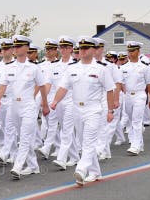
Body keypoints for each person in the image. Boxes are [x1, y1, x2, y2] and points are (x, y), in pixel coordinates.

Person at [49, 36, 115, 186]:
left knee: (89, 142)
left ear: (93, 50)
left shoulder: (101, 69)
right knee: (82, 141)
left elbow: (110, 90)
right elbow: (63, 88)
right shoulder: (72, 68)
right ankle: (95, 172)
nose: (83, 51)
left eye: (86, 48)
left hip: (93, 109)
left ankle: (81, 169)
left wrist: (110, 110)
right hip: (76, 108)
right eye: (81, 48)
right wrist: (54, 101)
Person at [0, 35, 50, 179]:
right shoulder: (9, 68)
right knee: (21, 135)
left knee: (25, 137)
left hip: (29, 105)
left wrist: (45, 105)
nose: (16, 49)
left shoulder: (34, 68)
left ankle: (18, 166)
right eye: (14, 47)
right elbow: (2, 86)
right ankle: (33, 166)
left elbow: (42, 87)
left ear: (27, 48)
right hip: (13, 106)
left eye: (19, 46)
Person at [50, 35, 81, 169]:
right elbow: (49, 84)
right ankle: (75, 157)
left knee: (66, 130)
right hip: (59, 102)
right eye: (61, 47)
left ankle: (61, 159)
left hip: (71, 101)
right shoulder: (54, 66)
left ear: (71, 49)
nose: (62, 50)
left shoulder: (76, 65)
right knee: (65, 129)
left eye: (66, 47)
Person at [120, 41, 150, 155]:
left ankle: (135, 146)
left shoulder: (144, 67)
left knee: (136, 121)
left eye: (132, 51)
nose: (130, 53)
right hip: (128, 96)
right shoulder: (123, 67)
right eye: (129, 51)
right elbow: (120, 83)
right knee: (131, 120)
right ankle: (140, 143)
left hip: (140, 95)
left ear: (138, 52)